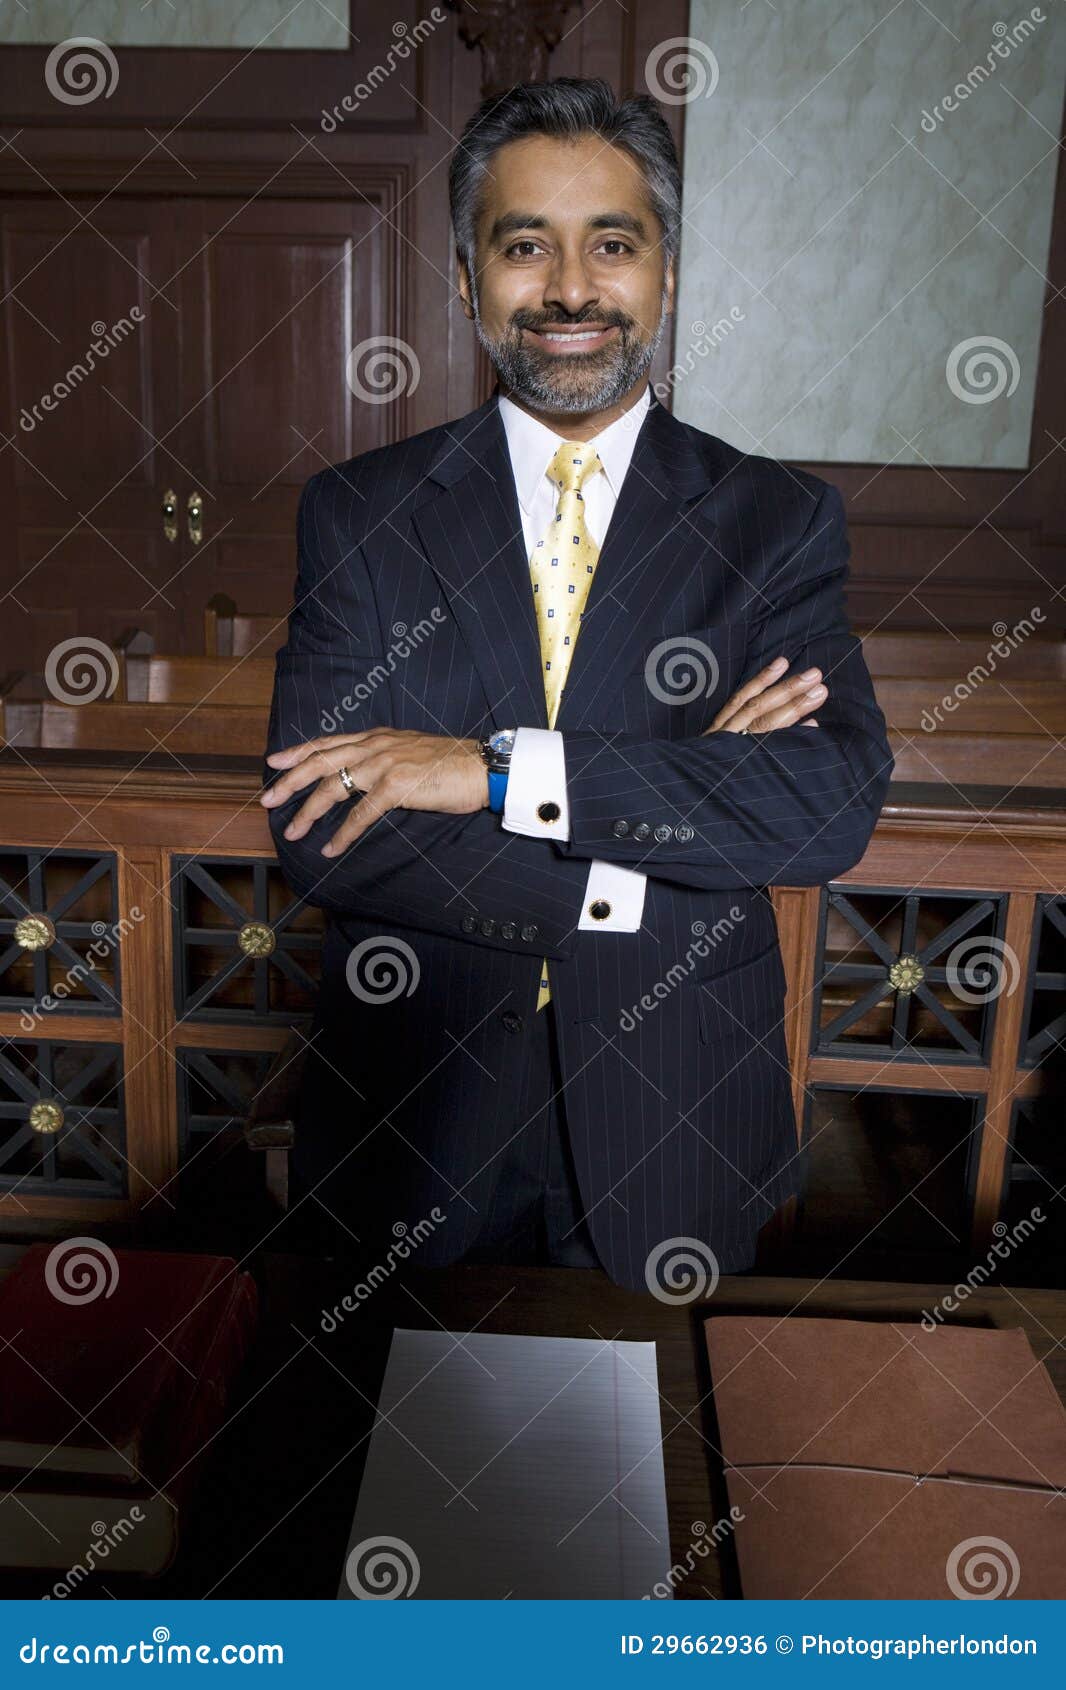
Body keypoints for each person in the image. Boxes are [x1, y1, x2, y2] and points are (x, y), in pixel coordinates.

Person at [260, 78, 893, 1292]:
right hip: (419, 1105)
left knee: (663, 1464)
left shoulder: (772, 520)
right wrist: (666, 842)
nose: (566, 289)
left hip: (679, 1106)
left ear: (662, 275)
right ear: (466, 279)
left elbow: (823, 806)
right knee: (400, 1467)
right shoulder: (360, 513)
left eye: (611, 244)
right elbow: (327, 833)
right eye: (523, 246)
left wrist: (490, 771)